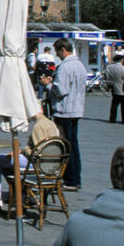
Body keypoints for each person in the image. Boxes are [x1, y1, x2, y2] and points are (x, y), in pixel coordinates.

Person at [40, 38, 87, 190]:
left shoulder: (65, 67)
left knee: (66, 146)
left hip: (64, 110)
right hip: (76, 108)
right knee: (74, 144)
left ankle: (70, 179)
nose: (57, 55)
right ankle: (76, 178)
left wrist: (48, 85)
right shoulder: (80, 65)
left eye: (57, 51)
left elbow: (60, 90)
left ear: (62, 49)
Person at [0, 113, 60, 205]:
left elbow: (37, 153)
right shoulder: (51, 123)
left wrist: (22, 150)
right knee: (6, 161)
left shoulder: (38, 126)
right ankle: (19, 193)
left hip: (38, 165)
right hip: (51, 165)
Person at [104, 53, 124, 124]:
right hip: (123, 88)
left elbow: (107, 77)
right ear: (121, 60)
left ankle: (112, 118)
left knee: (114, 104)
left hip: (114, 87)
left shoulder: (109, 67)